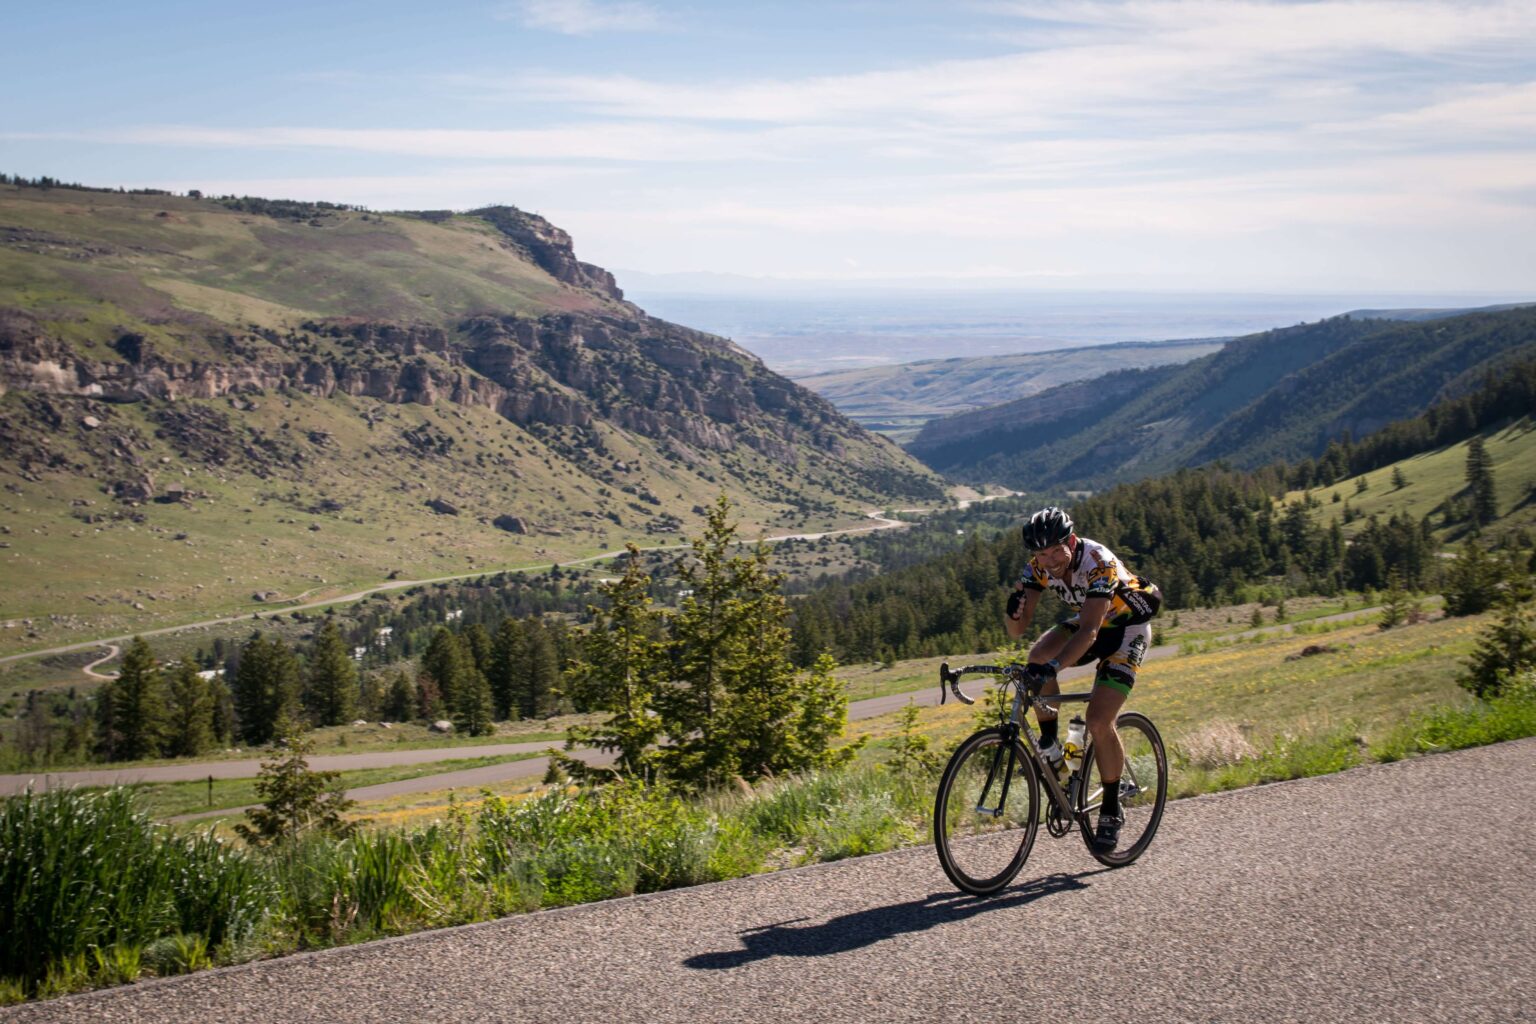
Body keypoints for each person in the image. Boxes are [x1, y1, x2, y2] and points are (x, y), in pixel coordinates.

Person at [1004, 506, 1161, 852]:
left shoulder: (1097, 562)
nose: (1049, 561)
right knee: (1036, 657)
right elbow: (1017, 631)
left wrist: (1056, 667)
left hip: (1125, 630)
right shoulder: (1038, 567)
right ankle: (1051, 745)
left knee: (1098, 720)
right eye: (1040, 553)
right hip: (1091, 623)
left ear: (1071, 542)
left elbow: (1090, 631)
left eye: (1055, 550)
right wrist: (1013, 611)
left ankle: (1110, 807)